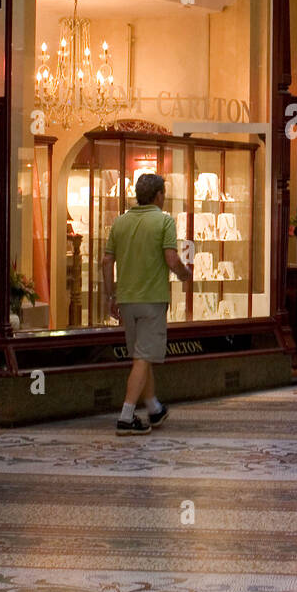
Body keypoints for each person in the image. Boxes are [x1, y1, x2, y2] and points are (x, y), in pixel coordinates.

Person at [102, 172, 193, 436]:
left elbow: (107, 261)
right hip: (152, 300)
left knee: (142, 355)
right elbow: (171, 258)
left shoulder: (120, 222)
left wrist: (110, 296)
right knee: (143, 357)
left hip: (127, 300)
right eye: (164, 193)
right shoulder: (164, 221)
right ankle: (126, 415)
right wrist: (185, 275)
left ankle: (154, 408)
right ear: (159, 195)